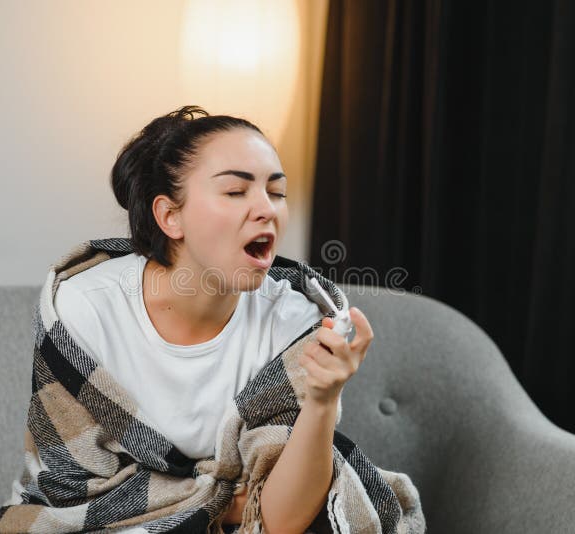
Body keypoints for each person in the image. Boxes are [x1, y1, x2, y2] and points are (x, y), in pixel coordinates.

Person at [38, 106, 374, 532]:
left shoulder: (294, 321)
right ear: (170, 216)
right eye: (235, 191)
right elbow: (73, 488)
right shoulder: (85, 307)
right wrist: (224, 502)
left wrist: (323, 398)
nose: (266, 209)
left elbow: (280, 522)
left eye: (277, 192)